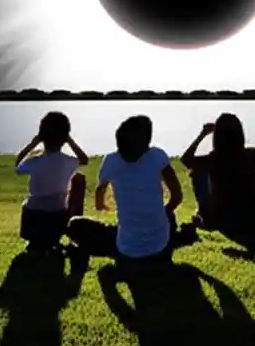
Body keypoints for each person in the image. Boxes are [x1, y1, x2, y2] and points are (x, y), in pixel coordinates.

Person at [66, 115, 186, 276]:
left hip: (126, 250)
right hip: (161, 247)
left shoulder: (111, 160)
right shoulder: (158, 156)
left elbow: (100, 192)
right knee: (169, 215)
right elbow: (177, 197)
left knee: (75, 224)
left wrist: (101, 205)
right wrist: (161, 212)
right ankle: (161, 255)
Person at [14, 111, 89, 253]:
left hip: (35, 217)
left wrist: (32, 144)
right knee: (75, 182)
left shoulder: (35, 162)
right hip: (58, 216)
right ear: (64, 138)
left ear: (42, 137)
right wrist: (70, 141)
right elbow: (84, 160)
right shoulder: (68, 161)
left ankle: (34, 240)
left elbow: (17, 166)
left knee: (27, 203)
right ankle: (53, 239)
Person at [181, 113, 255, 235]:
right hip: (250, 219)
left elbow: (186, 159)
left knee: (196, 173)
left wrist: (203, 134)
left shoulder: (215, 159)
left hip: (222, 220)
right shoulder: (252, 155)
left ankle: (203, 214)